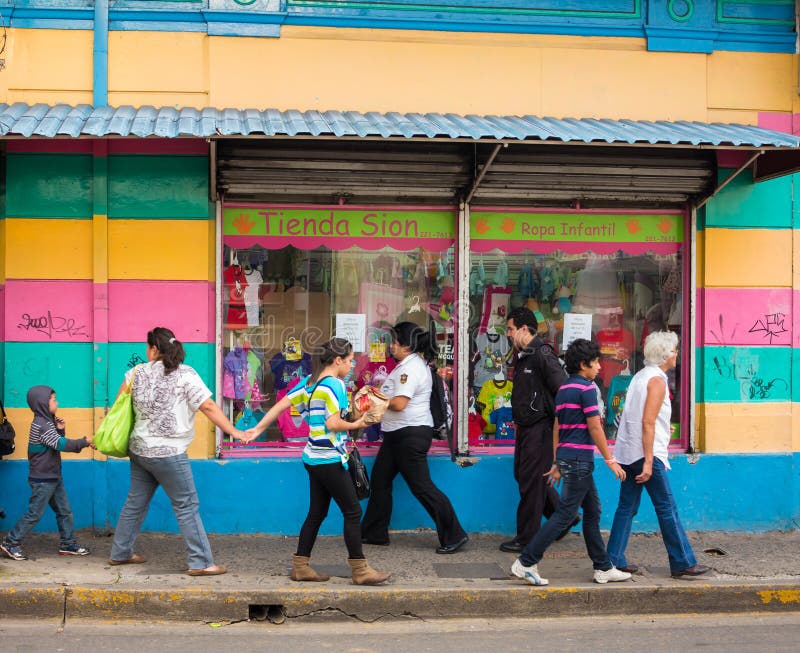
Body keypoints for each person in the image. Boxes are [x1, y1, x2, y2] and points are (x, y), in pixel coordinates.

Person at [246, 338, 390, 585]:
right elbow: (332, 423)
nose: (352, 364)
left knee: (316, 513)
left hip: (312, 457)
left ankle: (301, 566)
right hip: (329, 458)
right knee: (353, 512)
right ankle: (361, 570)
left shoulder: (310, 383)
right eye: (350, 360)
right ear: (337, 360)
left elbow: (280, 405)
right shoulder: (334, 384)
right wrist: (358, 424)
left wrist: (257, 430)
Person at [109, 327, 246, 576]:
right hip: (169, 452)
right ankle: (201, 562)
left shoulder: (135, 373)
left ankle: (120, 552)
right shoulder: (186, 374)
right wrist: (234, 432)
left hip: (139, 449)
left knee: (135, 502)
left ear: (153, 349)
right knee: (186, 505)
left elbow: (119, 407)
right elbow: (209, 406)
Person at [510, 339, 631, 585]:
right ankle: (526, 561)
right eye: (595, 362)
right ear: (584, 364)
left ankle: (603, 567)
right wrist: (610, 459)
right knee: (565, 514)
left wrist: (557, 460)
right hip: (579, 459)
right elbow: (595, 426)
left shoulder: (564, 388)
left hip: (569, 456)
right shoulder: (587, 389)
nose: (599, 367)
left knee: (593, 510)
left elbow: (558, 426)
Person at [606, 330, 709, 578]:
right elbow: (648, 422)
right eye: (674, 350)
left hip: (629, 451)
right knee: (667, 508)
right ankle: (682, 561)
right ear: (664, 355)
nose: (676, 354)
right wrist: (650, 461)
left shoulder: (641, 376)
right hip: (645, 454)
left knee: (626, 507)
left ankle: (613, 559)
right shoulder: (657, 381)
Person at [361, 322, 468, 554]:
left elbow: (399, 404)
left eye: (394, 341)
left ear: (405, 345)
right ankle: (373, 533)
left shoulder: (411, 368)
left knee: (422, 487)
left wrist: (373, 399)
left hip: (409, 435)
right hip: (396, 435)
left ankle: (454, 534)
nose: (391, 346)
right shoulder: (405, 366)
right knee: (380, 481)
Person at [500, 306, 571, 554]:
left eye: (510, 329)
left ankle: (526, 538)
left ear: (523, 329)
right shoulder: (523, 354)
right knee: (525, 476)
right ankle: (563, 517)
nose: (508, 334)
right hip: (525, 427)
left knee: (530, 482)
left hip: (540, 428)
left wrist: (553, 420)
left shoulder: (542, 354)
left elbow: (563, 389)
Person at [0, 386, 93, 561]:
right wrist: (85, 441)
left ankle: (68, 543)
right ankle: (11, 542)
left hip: (52, 477)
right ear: (42, 403)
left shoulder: (47, 423)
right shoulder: (41, 425)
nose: (56, 402)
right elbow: (61, 445)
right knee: (34, 513)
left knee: (64, 511)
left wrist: (60, 429)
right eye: (53, 399)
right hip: (43, 480)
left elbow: (53, 443)